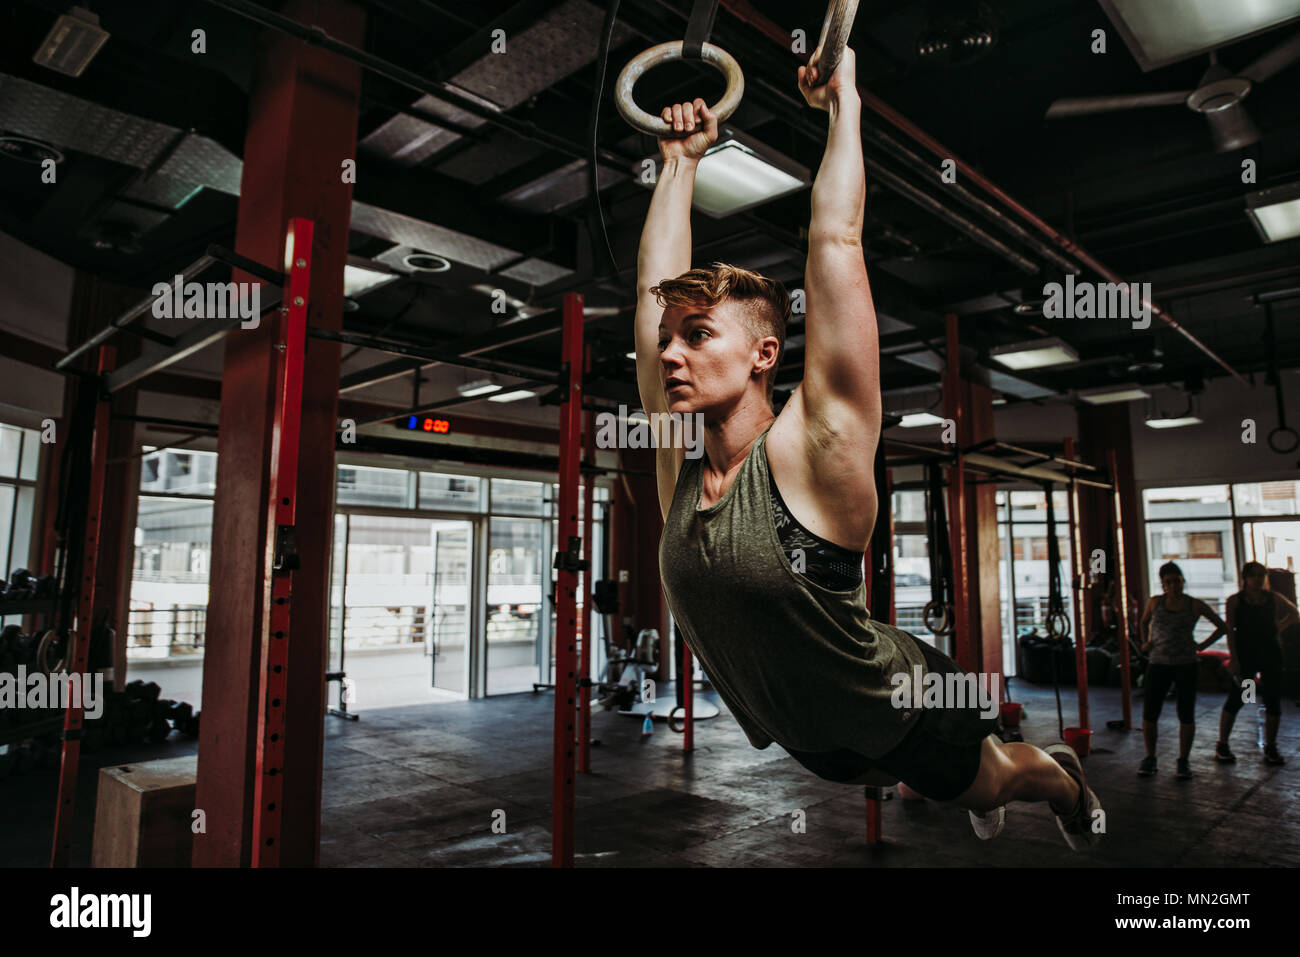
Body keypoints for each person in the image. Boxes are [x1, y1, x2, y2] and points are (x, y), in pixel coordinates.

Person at [634, 46, 1101, 849]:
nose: (670, 354)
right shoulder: (678, 461)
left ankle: (1057, 775)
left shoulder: (816, 447)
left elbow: (837, 244)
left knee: (988, 778)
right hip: (820, 744)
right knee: (919, 776)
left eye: (699, 334)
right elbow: (650, 308)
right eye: (668, 340)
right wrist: (679, 165)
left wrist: (843, 106)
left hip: (903, 711)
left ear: (764, 355)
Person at [1136, 562, 1227, 778]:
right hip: (1158, 664)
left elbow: (1222, 627)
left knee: (1185, 713)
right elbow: (1143, 621)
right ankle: (1150, 757)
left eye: (1177, 581)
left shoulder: (1194, 605)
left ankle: (1183, 760)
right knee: (1150, 712)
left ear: (1183, 581)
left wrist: (1202, 646)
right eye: (1168, 582)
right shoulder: (1155, 602)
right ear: (1163, 585)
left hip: (1186, 665)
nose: (1174, 585)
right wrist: (1145, 642)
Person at [1215, 561, 1299, 765]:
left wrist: (1278, 628)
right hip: (1247, 657)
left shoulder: (1272, 598)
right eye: (1254, 575)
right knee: (1243, 697)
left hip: (1270, 655)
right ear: (1245, 578)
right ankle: (1223, 744)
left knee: (1272, 699)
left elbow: (1294, 613)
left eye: (1261, 575)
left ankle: (1270, 746)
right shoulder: (1235, 601)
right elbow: (1231, 631)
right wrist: (1234, 658)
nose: (1258, 579)